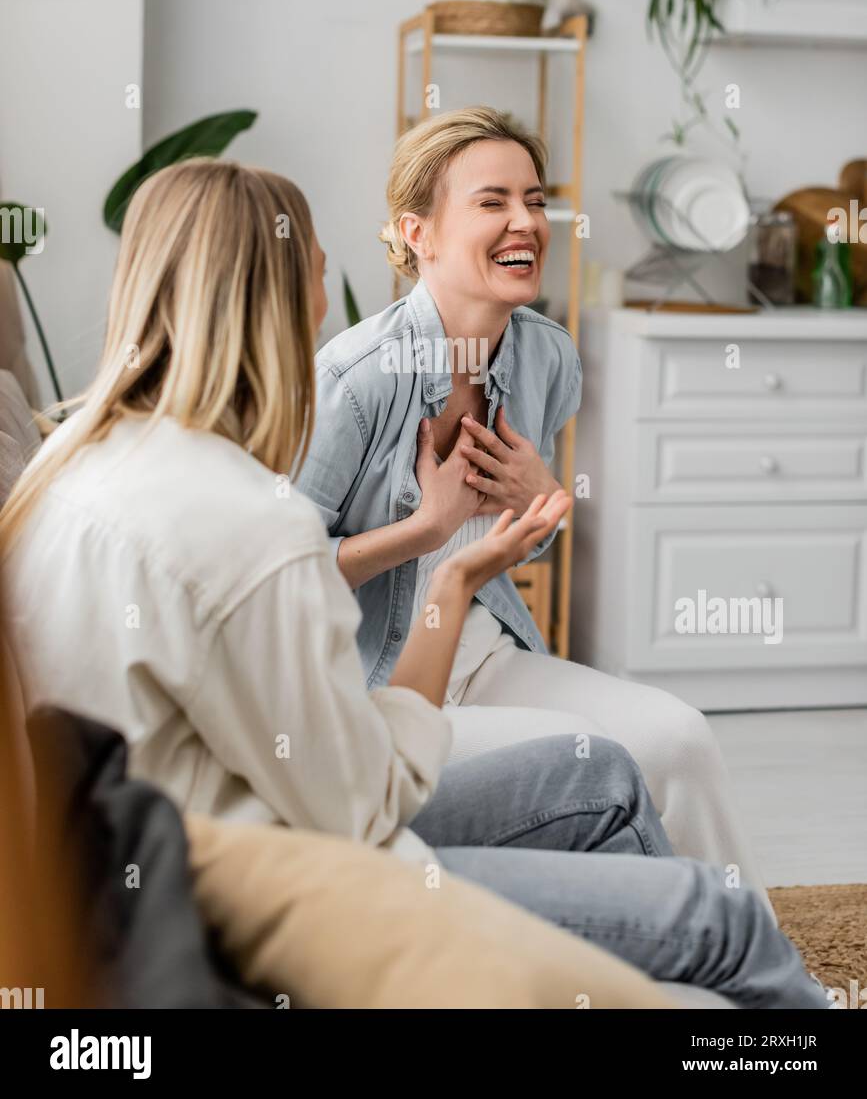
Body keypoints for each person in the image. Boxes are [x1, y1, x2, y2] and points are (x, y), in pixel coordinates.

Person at [1, 158, 822, 1006]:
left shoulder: (66, 462)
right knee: (712, 913)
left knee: (605, 770)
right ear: (287, 298)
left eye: (534, 201)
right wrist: (435, 564)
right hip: (280, 883)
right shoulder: (263, 506)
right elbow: (364, 811)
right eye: (317, 273)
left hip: (207, 838)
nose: (326, 305)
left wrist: (484, 554)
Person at [296, 106, 769, 901]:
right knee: (595, 755)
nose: (526, 222)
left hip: (480, 656)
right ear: (419, 233)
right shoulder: (352, 381)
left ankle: (754, 975)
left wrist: (541, 504)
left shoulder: (546, 356)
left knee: (679, 736)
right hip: (369, 688)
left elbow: (516, 540)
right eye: (492, 202)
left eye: (535, 199)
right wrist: (423, 531)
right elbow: (284, 578)